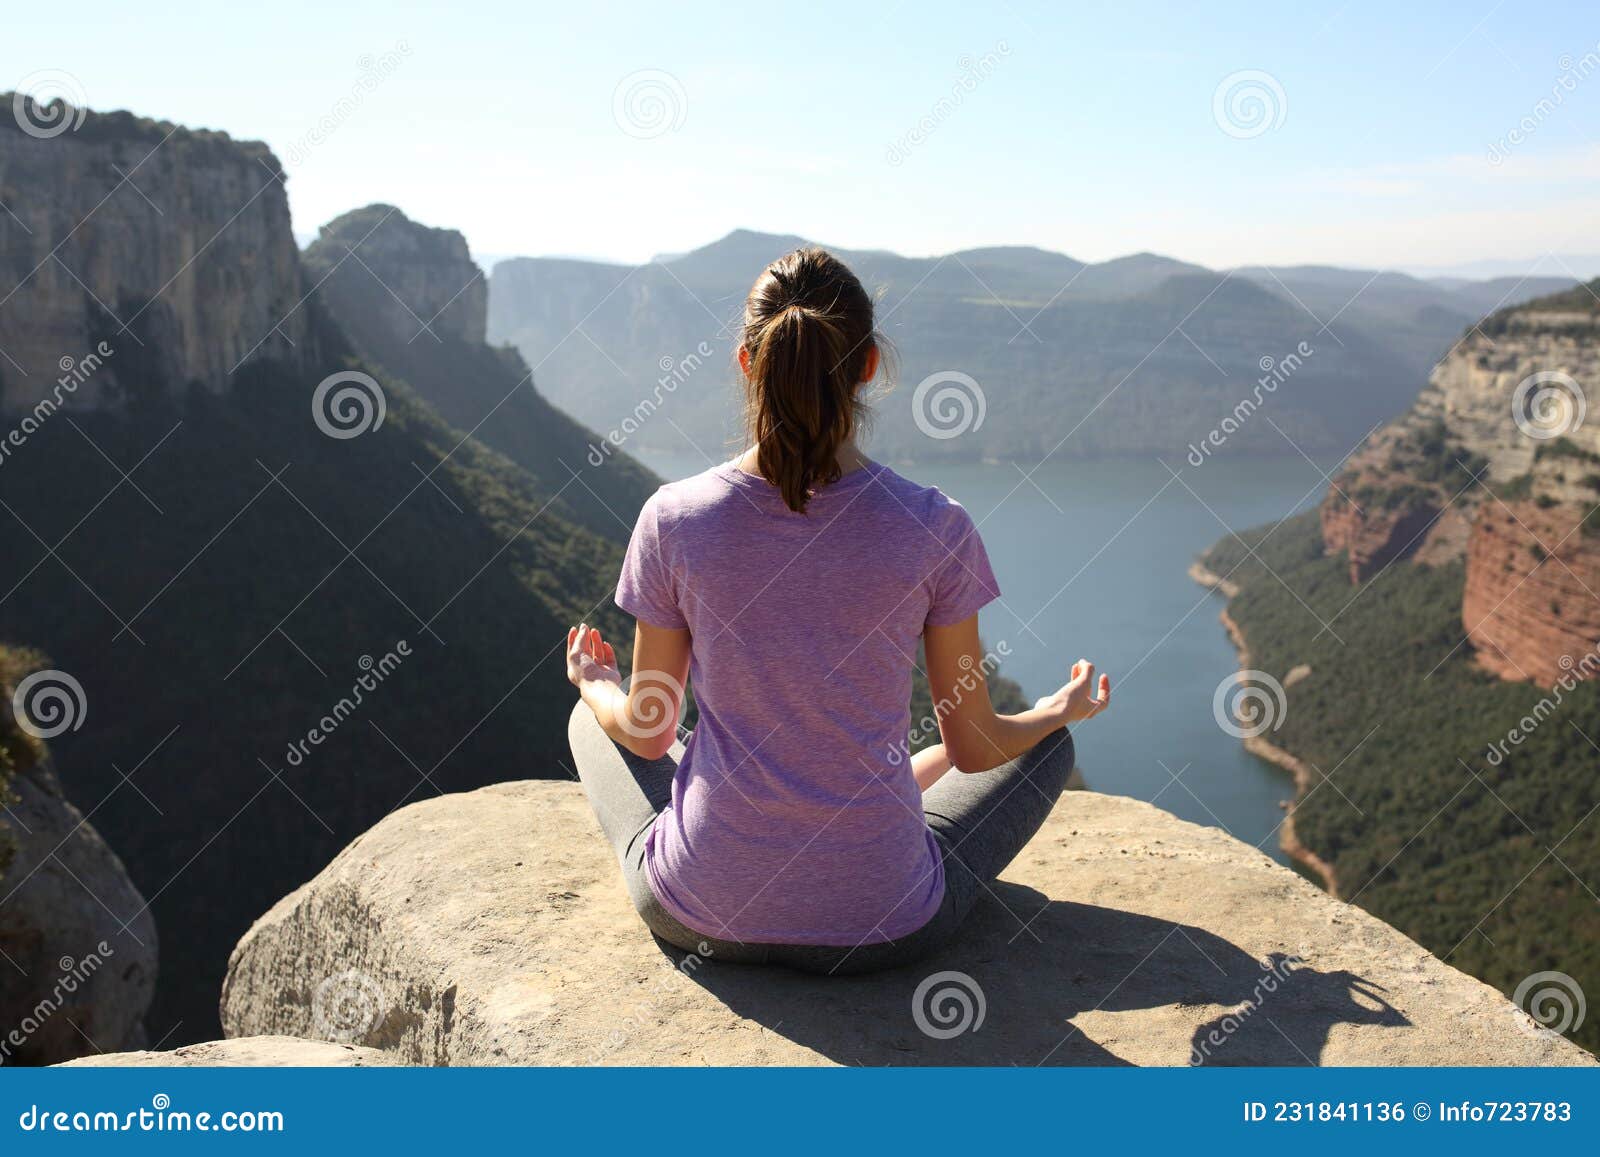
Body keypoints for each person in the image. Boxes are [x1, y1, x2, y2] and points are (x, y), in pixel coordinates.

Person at [566, 247, 1110, 973]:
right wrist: (1055, 710)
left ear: (745, 363)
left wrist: (592, 683)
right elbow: (977, 744)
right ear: (869, 366)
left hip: (702, 914)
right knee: (1047, 748)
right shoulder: (932, 525)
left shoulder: (675, 520)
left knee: (590, 722)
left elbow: (647, 730)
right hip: (881, 927)